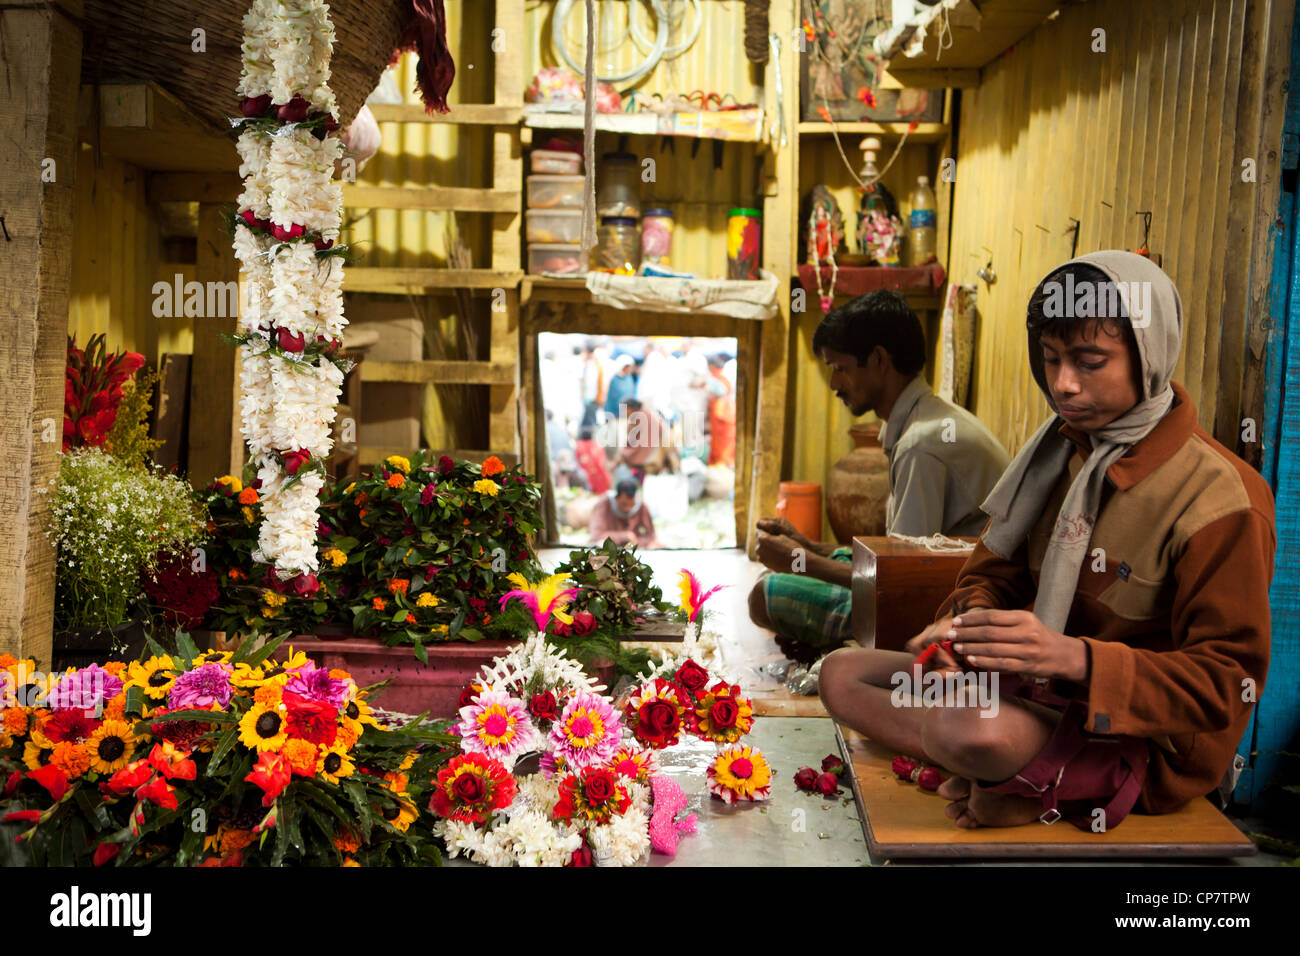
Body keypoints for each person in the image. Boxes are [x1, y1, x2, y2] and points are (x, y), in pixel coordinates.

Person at [817, 252, 1275, 831]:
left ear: (1149, 356)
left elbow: (1225, 684)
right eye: (1052, 359)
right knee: (842, 674)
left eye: (1090, 361)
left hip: (1134, 741)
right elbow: (988, 576)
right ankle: (1013, 773)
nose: (1063, 384)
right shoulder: (1054, 457)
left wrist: (1077, 659)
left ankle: (1017, 770)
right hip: (1031, 695)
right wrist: (968, 629)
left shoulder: (1221, 497)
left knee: (973, 725)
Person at [750, 289, 1009, 654]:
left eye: (840, 369)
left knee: (765, 592)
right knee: (805, 567)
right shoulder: (924, 421)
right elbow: (896, 554)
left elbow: (899, 579)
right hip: (935, 574)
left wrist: (802, 563)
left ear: (878, 360)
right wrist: (807, 547)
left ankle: (866, 648)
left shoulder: (922, 443)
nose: (834, 385)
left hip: (952, 600)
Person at [588, 479, 658, 549]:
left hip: (633, 548)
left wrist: (636, 542)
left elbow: (650, 536)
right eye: (624, 504)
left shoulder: (641, 507)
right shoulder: (603, 505)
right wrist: (625, 536)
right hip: (610, 548)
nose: (628, 508)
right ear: (616, 498)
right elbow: (595, 535)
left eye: (631, 504)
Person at [575, 425, 611, 495]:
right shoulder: (598, 446)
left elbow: (578, 463)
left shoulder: (579, 446)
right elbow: (604, 462)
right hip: (601, 477)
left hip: (586, 479)